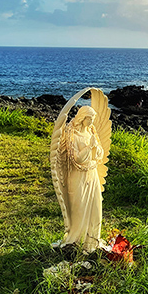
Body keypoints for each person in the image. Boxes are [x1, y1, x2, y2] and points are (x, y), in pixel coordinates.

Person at [60, 105, 104, 251]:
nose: (91, 122)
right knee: (80, 210)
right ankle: (77, 241)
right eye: (89, 118)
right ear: (82, 118)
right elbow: (76, 159)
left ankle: (92, 241)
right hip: (78, 176)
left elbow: (99, 155)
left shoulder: (92, 132)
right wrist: (89, 147)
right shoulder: (72, 134)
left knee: (96, 207)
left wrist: (96, 149)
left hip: (92, 174)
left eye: (93, 119)